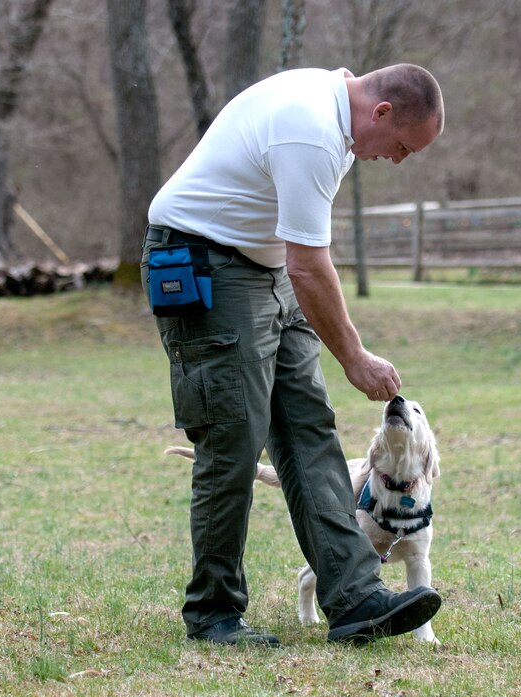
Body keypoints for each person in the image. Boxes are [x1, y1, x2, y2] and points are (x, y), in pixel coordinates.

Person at [142, 64, 445, 646]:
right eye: (403, 146)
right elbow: (310, 263)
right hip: (202, 262)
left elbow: (300, 258)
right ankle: (213, 614)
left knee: (310, 431)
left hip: (265, 267)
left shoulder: (335, 119)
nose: (398, 160)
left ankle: (356, 599)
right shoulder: (310, 129)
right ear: (381, 113)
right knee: (233, 437)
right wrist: (354, 356)